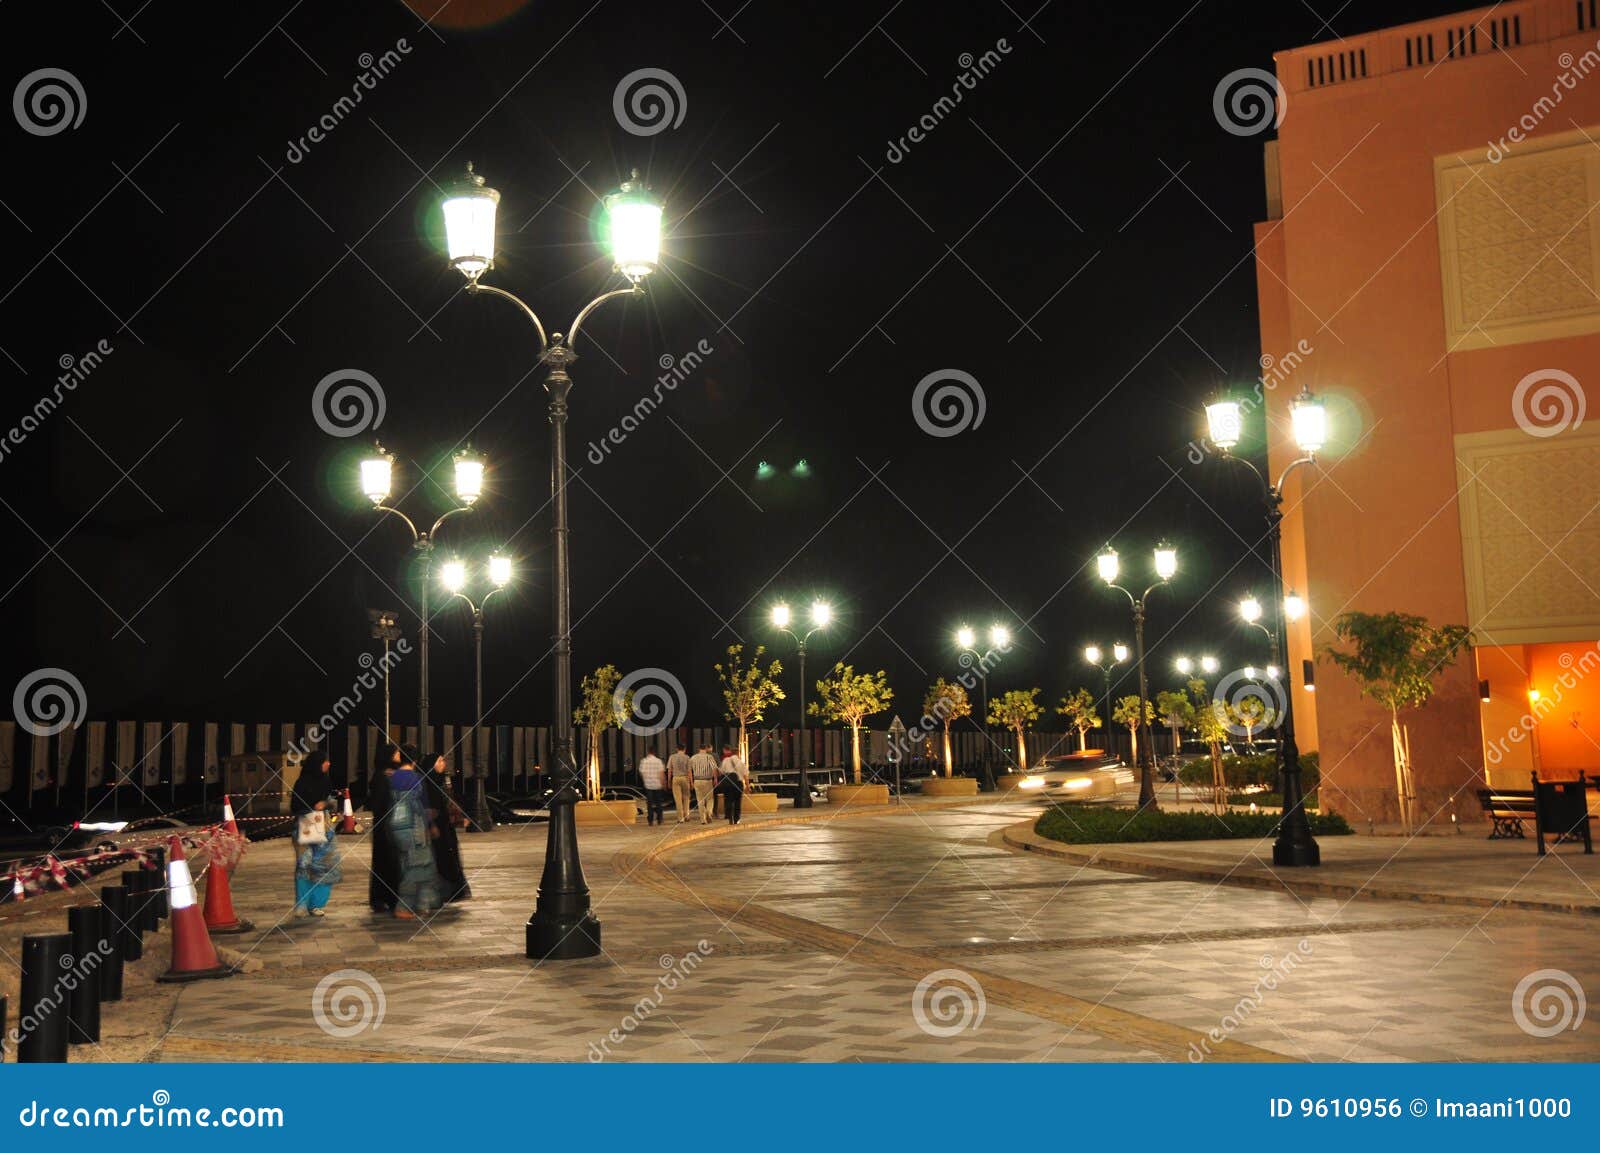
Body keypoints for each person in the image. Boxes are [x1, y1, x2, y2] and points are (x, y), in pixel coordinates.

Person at [385, 747, 441, 920]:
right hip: (414, 826)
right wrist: (431, 824)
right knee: (419, 864)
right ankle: (407, 905)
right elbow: (424, 804)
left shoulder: (391, 777)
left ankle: (421, 904)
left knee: (407, 863)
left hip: (395, 825)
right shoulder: (416, 778)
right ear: (415, 761)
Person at [291, 751, 342, 917]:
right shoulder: (302, 783)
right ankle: (302, 904)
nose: (329, 764)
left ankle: (316, 904)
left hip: (324, 826)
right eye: (326, 761)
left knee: (325, 865)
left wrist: (325, 803)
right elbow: (295, 806)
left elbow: (332, 802)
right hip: (306, 824)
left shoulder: (326, 780)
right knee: (304, 865)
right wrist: (312, 806)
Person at [422, 751, 471, 903]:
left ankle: (451, 891)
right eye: (440, 761)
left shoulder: (442, 781)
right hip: (436, 827)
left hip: (446, 827)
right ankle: (442, 892)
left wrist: (458, 817)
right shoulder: (427, 783)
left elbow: (448, 803)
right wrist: (431, 825)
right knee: (440, 858)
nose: (443, 763)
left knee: (449, 856)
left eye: (443, 760)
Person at [366, 745, 402, 913]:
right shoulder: (380, 777)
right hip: (384, 826)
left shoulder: (391, 775)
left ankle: (391, 897)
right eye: (396, 753)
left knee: (393, 862)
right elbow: (378, 804)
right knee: (384, 862)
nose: (398, 755)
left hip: (392, 824)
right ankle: (382, 898)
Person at [717, 745, 749, 825]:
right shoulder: (740, 762)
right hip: (738, 783)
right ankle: (736, 819)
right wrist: (748, 786)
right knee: (737, 802)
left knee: (728, 800)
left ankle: (729, 818)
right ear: (738, 753)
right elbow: (745, 775)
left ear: (731, 752)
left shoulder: (725, 760)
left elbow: (721, 772)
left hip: (727, 783)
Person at [688, 744, 719, 825]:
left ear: (699, 749)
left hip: (697, 781)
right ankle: (709, 812)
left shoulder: (693, 758)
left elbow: (689, 771)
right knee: (710, 799)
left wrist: (691, 782)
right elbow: (714, 769)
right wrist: (715, 779)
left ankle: (703, 819)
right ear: (706, 749)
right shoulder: (709, 757)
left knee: (700, 800)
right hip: (707, 781)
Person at [638, 749, 668, 826]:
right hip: (657, 785)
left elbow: (642, 773)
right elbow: (661, 774)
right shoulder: (658, 761)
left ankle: (650, 820)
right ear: (654, 753)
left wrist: (645, 779)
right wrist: (664, 783)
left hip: (648, 785)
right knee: (658, 803)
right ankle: (659, 819)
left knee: (649, 804)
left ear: (648, 752)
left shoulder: (644, 761)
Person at [666, 745, 693, 822]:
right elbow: (689, 771)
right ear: (685, 749)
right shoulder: (687, 757)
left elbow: (669, 770)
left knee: (678, 799)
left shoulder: (672, 757)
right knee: (686, 798)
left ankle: (680, 818)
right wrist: (691, 782)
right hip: (685, 778)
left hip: (675, 778)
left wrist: (669, 781)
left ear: (677, 749)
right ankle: (687, 816)